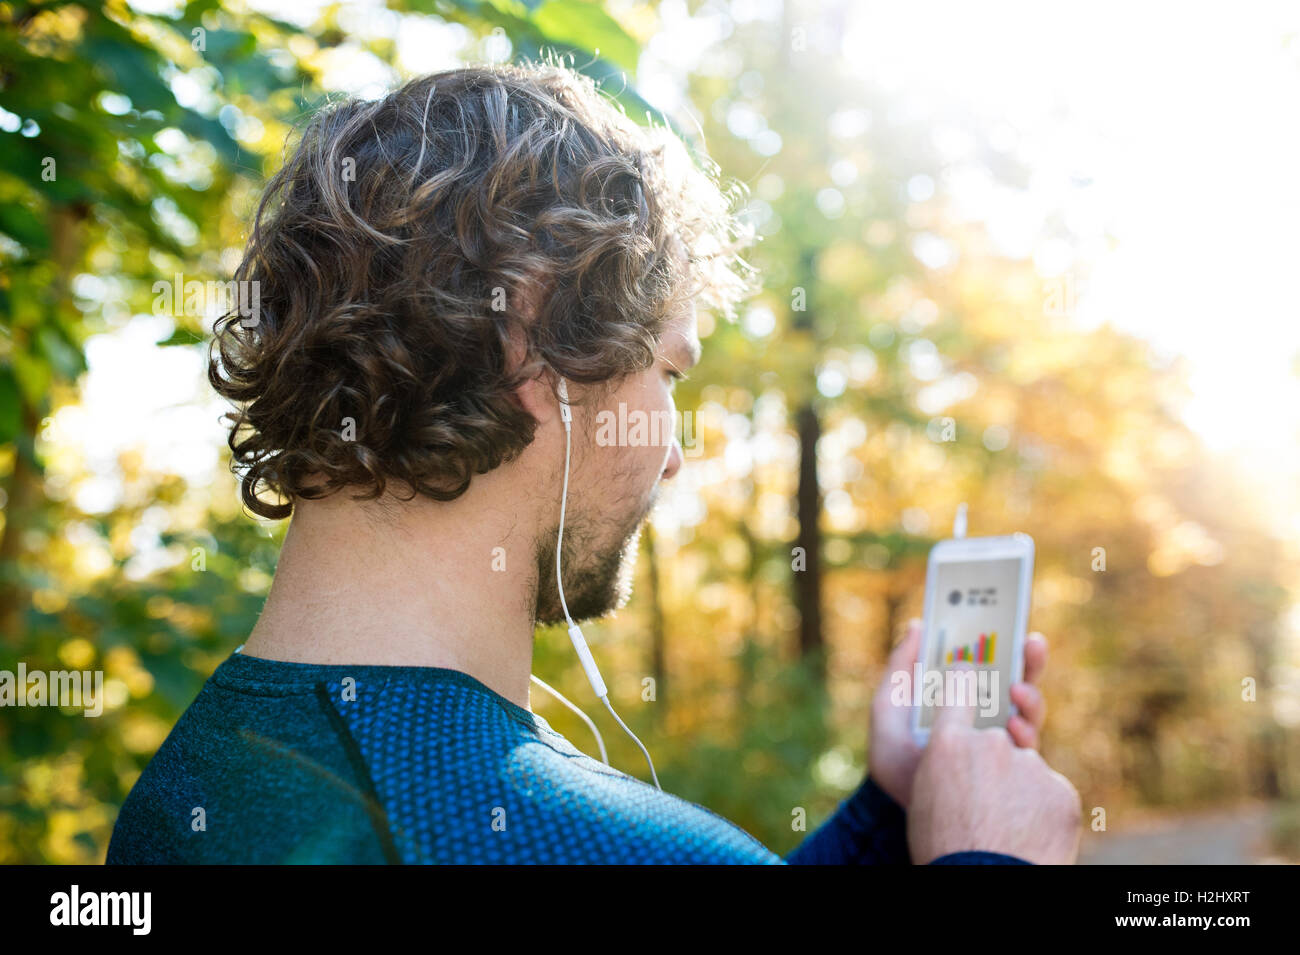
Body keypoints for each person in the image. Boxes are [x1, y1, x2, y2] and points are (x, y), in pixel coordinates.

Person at [107, 62, 1080, 865]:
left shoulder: (187, 789)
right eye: (668, 370)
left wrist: (885, 808)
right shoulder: (596, 845)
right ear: (527, 338)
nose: (671, 456)